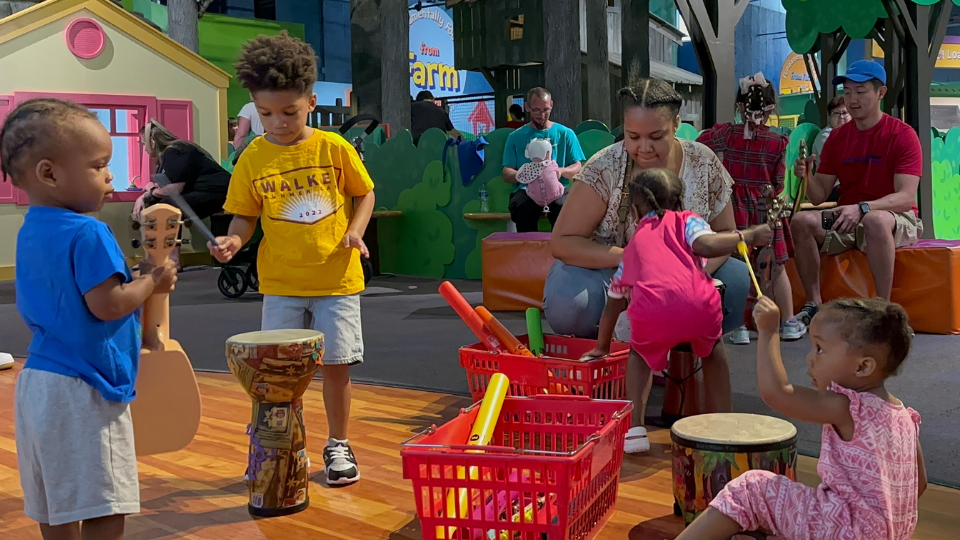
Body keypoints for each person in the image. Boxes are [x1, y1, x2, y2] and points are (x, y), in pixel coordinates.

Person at [1, 98, 177, 540]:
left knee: (57, 499)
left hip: (40, 380)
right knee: (103, 500)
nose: (110, 175)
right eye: (99, 165)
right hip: (85, 388)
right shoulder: (89, 231)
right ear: (50, 174)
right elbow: (110, 304)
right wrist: (152, 280)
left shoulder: (32, 229)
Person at [209, 31, 375, 486]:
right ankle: (279, 445)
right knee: (278, 376)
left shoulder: (333, 148)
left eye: (289, 112)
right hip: (280, 282)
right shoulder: (252, 158)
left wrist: (355, 232)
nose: (277, 122)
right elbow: (244, 217)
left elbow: (365, 193)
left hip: (336, 279)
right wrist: (233, 243)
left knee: (336, 368)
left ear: (311, 100)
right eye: (265, 114)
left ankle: (338, 444)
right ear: (253, 106)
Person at [676, 296, 926, 540]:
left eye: (820, 349)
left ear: (862, 367)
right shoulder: (907, 418)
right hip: (892, 534)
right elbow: (920, 485)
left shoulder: (849, 407)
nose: (809, 358)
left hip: (849, 531)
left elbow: (777, 393)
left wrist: (769, 332)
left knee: (752, 488)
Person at [544, 78, 751, 340]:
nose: (643, 148)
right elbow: (562, 243)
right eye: (633, 136)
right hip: (607, 272)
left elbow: (725, 232)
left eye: (656, 136)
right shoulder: (604, 167)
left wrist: (688, 275)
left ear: (676, 124)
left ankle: (681, 349)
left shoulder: (703, 161)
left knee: (735, 280)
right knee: (572, 305)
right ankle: (607, 353)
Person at [582, 168, 771, 453]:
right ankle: (725, 419)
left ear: (635, 211)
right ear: (681, 201)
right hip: (699, 307)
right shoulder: (689, 221)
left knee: (638, 354)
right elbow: (706, 245)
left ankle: (635, 429)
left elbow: (614, 302)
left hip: (652, 314)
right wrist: (746, 235)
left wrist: (602, 347)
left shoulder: (635, 244)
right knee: (713, 351)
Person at [791, 60, 922, 325]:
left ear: (881, 93)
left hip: (895, 217)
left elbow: (906, 197)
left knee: (875, 220)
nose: (852, 99)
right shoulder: (838, 138)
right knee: (802, 221)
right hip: (847, 219)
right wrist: (807, 176)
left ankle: (884, 311)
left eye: (860, 92)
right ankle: (814, 303)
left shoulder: (903, 135)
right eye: (848, 92)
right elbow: (818, 196)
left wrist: (864, 207)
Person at [698, 72, 805, 344]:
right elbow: (778, 183)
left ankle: (740, 327)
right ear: (771, 108)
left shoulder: (722, 135)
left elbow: (699, 148)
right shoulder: (778, 142)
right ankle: (789, 322)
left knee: (737, 262)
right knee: (778, 266)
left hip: (732, 207)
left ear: (740, 106)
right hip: (766, 208)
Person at [132, 120, 231, 268]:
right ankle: (155, 258)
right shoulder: (167, 157)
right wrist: (147, 193)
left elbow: (174, 189)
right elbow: (162, 187)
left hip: (219, 192)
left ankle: (173, 260)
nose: (144, 148)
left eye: (144, 143)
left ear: (152, 142)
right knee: (157, 205)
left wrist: (148, 193)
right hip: (204, 192)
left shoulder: (176, 151)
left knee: (167, 206)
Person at [502, 87, 586, 232]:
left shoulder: (565, 133)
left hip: (558, 188)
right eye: (536, 110)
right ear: (527, 107)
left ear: (551, 105)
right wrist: (522, 174)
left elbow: (578, 166)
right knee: (522, 207)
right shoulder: (515, 137)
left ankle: (562, 251)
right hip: (527, 190)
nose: (542, 115)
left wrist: (560, 171)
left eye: (546, 110)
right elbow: (506, 172)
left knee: (565, 208)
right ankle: (528, 248)